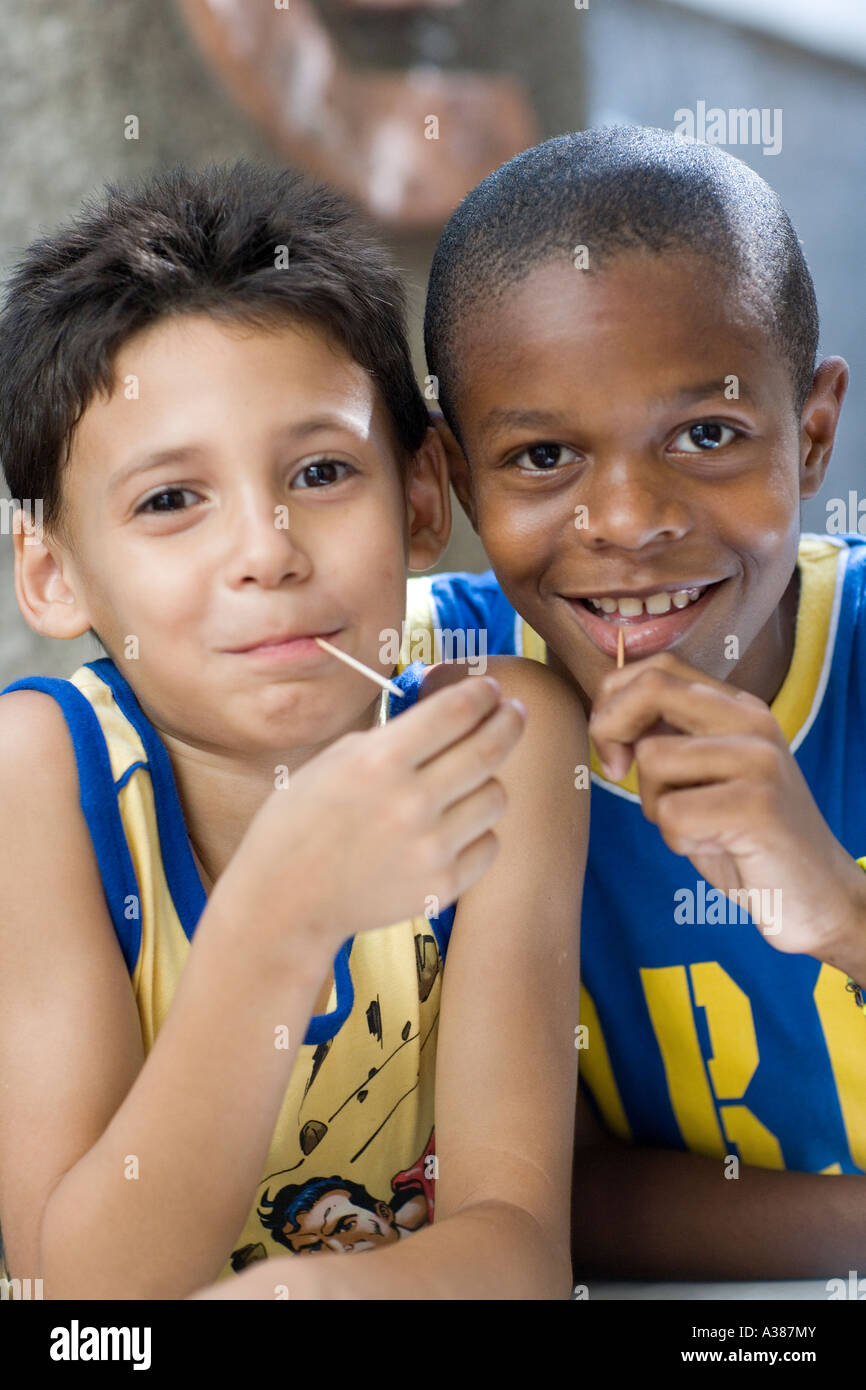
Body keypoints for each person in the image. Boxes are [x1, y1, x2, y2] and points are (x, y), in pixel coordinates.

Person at [0, 160, 588, 1300]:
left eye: (320, 471)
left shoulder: (498, 737)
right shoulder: (39, 780)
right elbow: (74, 1300)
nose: (265, 550)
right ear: (52, 572)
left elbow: (516, 1245)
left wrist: (301, 1297)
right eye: (171, 500)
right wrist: (281, 911)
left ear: (419, 501)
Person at [407, 125, 866, 1280]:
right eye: (542, 457)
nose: (623, 518)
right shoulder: (425, 694)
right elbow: (546, 1196)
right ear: (457, 481)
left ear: (811, 436)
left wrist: (837, 911)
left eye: (706, 435)